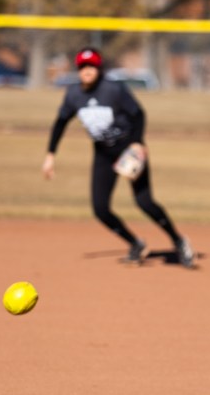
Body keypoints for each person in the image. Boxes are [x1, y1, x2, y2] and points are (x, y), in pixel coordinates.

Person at [43, 47, 194, 268]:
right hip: (103, 154)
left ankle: (179, 241)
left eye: (92, 66)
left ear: (99, 68)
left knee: (144, 202)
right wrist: (50, 155)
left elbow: (138, 114)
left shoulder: (113, 89)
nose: (87, 70)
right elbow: (61, 122)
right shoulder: (74, 94)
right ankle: (136, 243)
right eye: (83, 66)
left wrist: (138, 143)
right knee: (100, 209)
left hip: (128, 150)